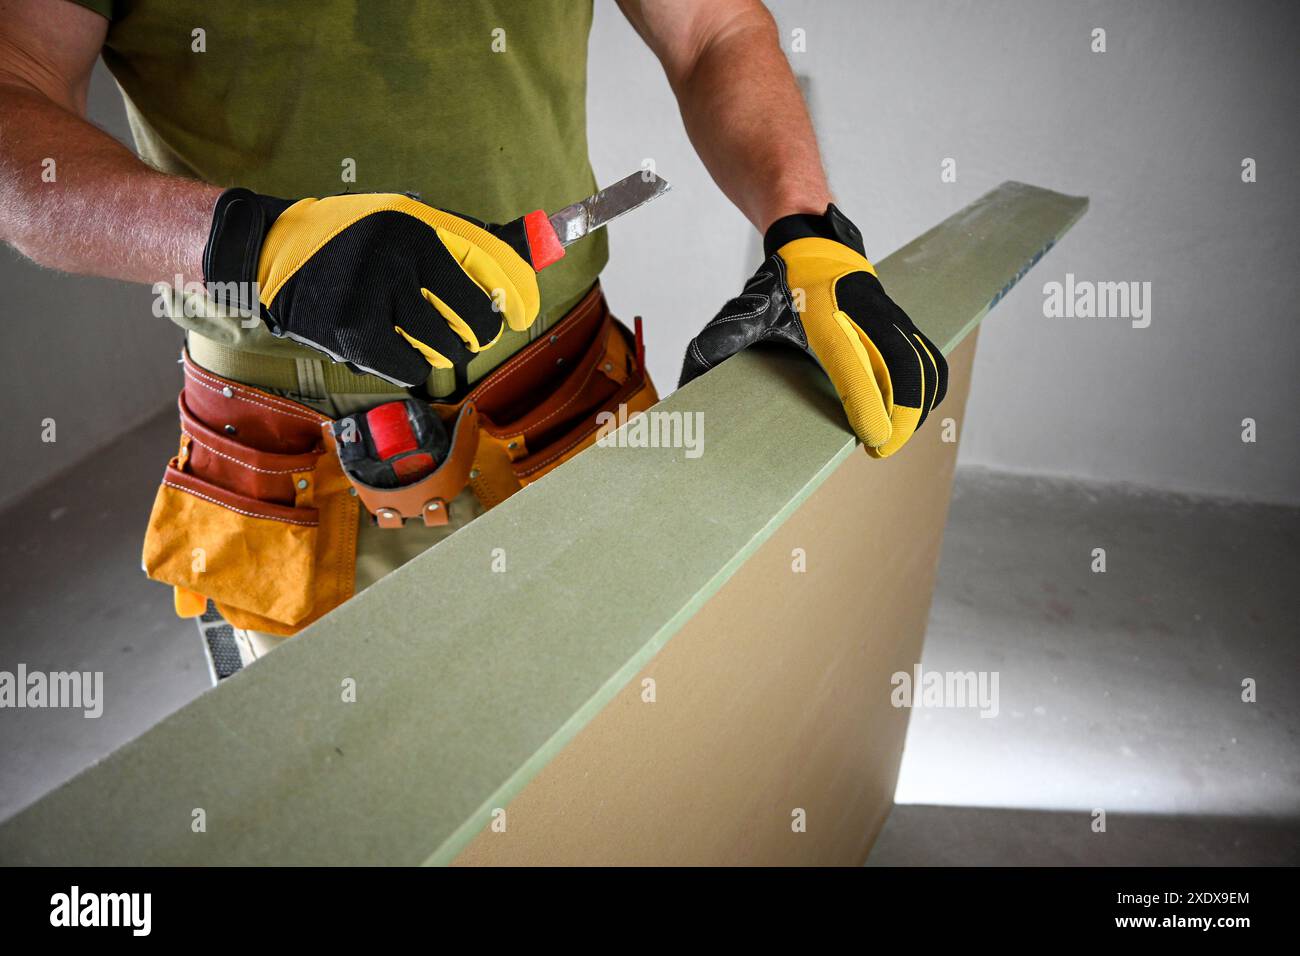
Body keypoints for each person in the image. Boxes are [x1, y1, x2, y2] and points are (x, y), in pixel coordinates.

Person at [0, 0, 946, 680]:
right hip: (301, 483)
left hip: (573, 416)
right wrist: (253, 243)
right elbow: (16, 120)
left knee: (605, 764)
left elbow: (715, 31)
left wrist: (808, 232)